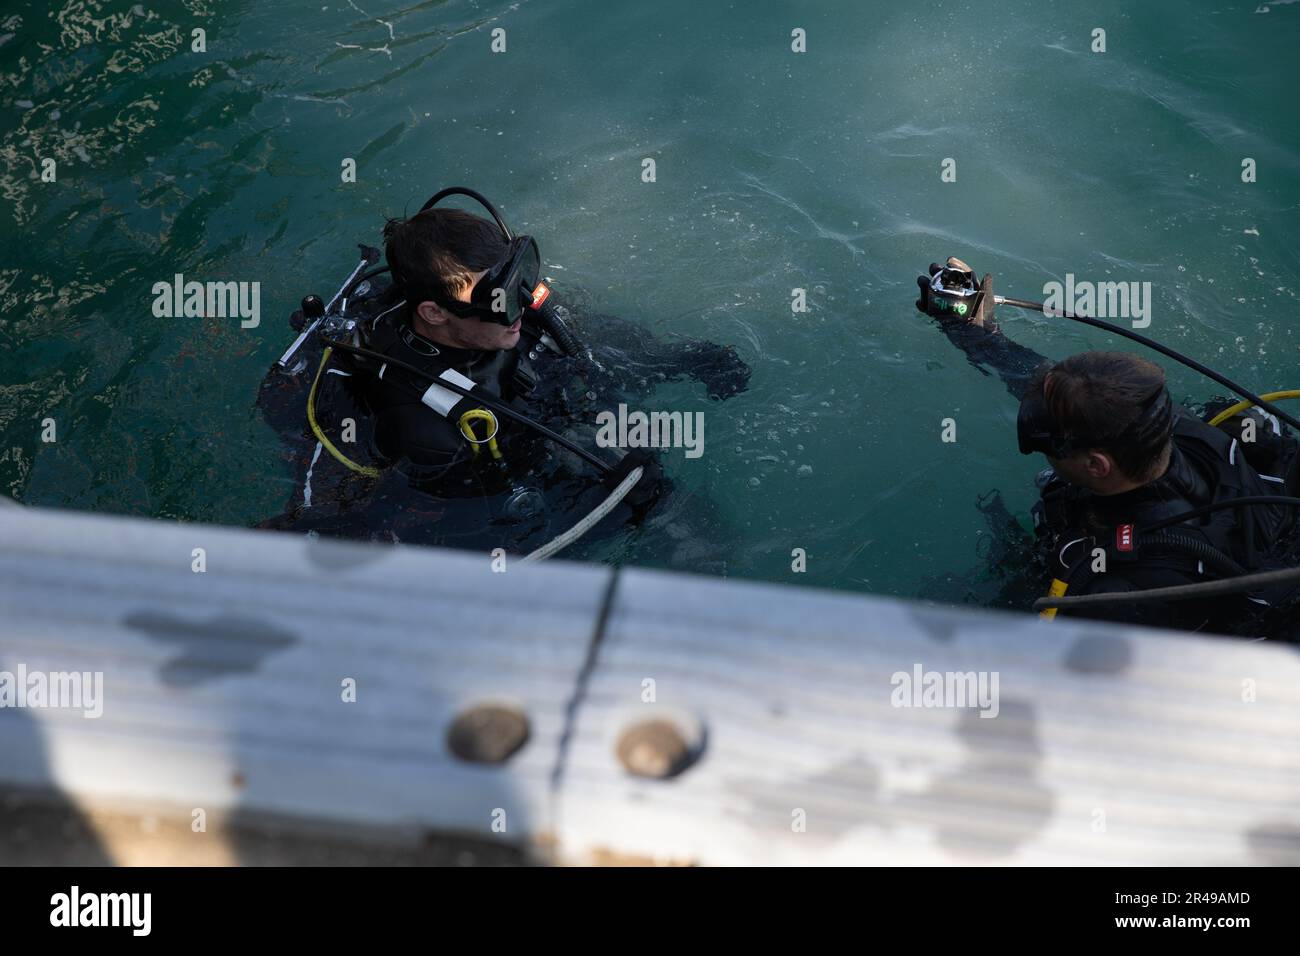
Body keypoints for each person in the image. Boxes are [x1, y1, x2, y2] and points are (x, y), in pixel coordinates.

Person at [256, 187, 750, 556]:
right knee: (670, 511)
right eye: (498, 299)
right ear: (433, 313)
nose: (519, 308)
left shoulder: (502, 318)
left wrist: (688, 360)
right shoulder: (421, 428)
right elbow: (464, 538)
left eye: (518, 280)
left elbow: (588, 342)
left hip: (511, 414)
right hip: (459, 482)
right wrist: (618, 507)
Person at [916, 257, 1300, 636]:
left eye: (1048, 442)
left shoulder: (1121, 596)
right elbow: (1074, 396)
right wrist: (973, 331)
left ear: (1097, 465)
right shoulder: (1162, 420)